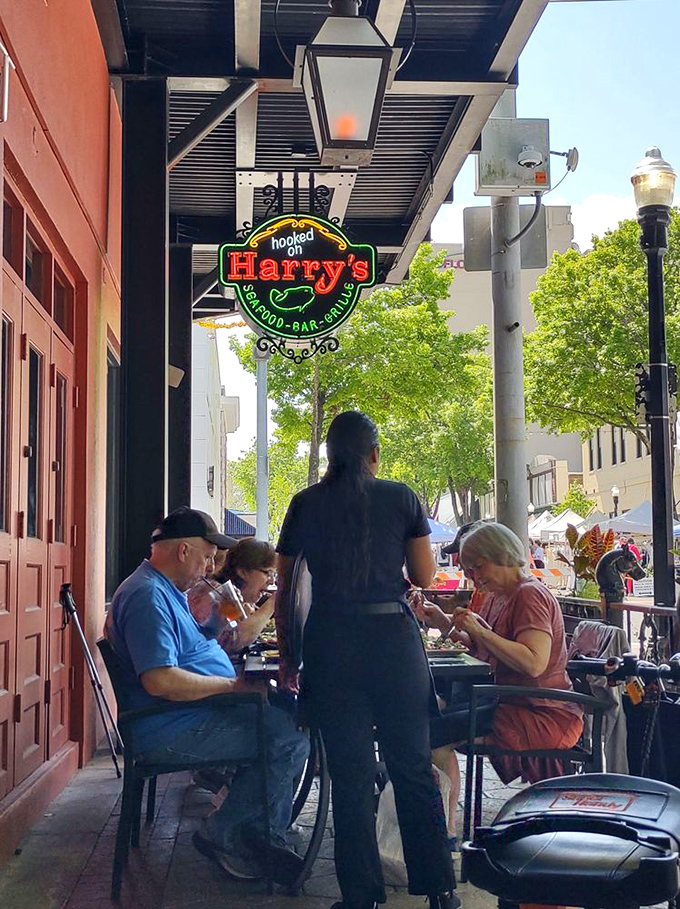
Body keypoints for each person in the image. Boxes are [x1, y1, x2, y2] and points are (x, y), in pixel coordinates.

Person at [275, 411, 457, 909]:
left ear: (329, 455)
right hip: (393, 643)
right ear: (374, 454)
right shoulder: (401, 497)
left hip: (331, 643)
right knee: (413, 767)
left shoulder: (304, 503)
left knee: (350, 776)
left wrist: (289, 654)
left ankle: (360, 897)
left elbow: (286, 588)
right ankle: (439, 889)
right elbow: (422, 577)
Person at [105, 506, 309, 885]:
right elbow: (160, 681)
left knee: (285, 720)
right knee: (289, 738)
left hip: (189, 714)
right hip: (169, 729)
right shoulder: (148, 596)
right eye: (208, 556)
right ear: (184, 551)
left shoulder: (164, 589)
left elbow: (197, 645)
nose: (210, 565)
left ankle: (262, 836)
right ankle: (228, 834)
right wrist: (234, 686)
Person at [416, 522, 582, 818]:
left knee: (433, 735)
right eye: (469, 571)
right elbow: (485, 649)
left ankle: (447, 831)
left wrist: (481, 633)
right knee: (431, 719)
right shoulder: (498, 595)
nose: (475, 578)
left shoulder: (530, 595)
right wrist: (443, 622)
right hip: (509, 702)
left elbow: (533, 663)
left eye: (479, 568)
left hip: (541, 714)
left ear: (503, 555)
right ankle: (443, 828)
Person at [189, 538, 277, 655]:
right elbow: (233, 640)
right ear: (243, 571)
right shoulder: (216, 593)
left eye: (274, 575)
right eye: (268, 573)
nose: (271, 581)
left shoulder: (229, 595)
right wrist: (272, 604)